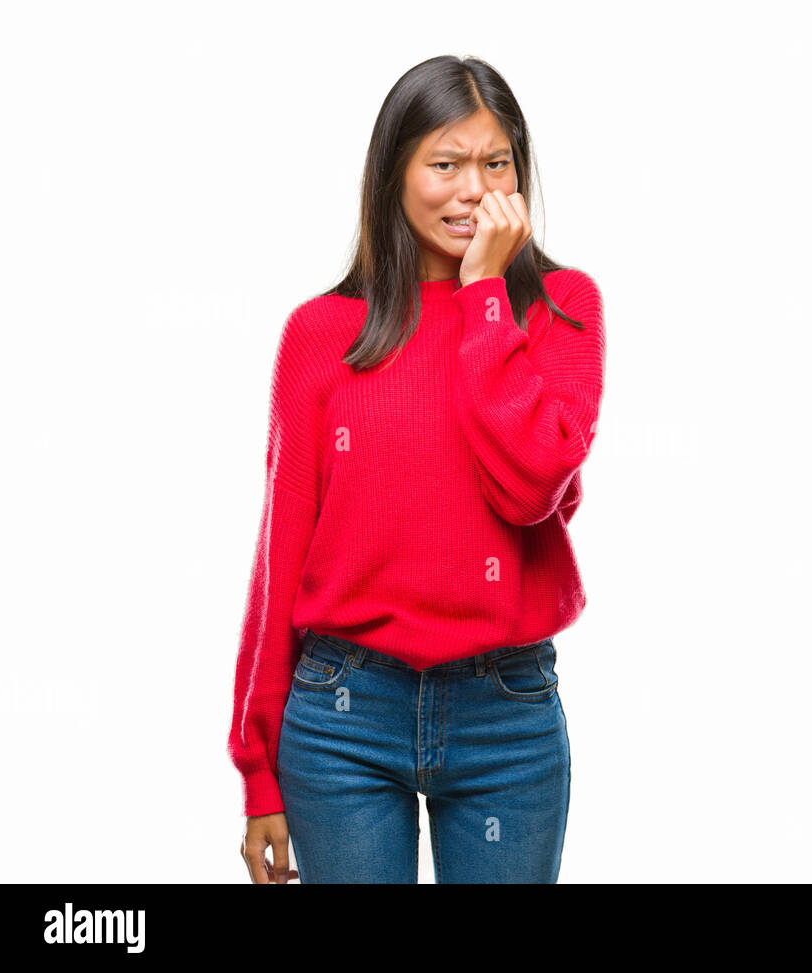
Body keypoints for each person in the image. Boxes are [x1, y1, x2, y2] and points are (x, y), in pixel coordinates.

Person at [227, 54, 605, 883]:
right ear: (394, 174)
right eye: (445, 164)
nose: (473, 189)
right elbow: (280, 550)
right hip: (342, 715)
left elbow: (532, 482)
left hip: (506, 718)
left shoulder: (562, 309)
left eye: (495, 163)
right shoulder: (324, 333)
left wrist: (484, 297)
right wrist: (258, 764)